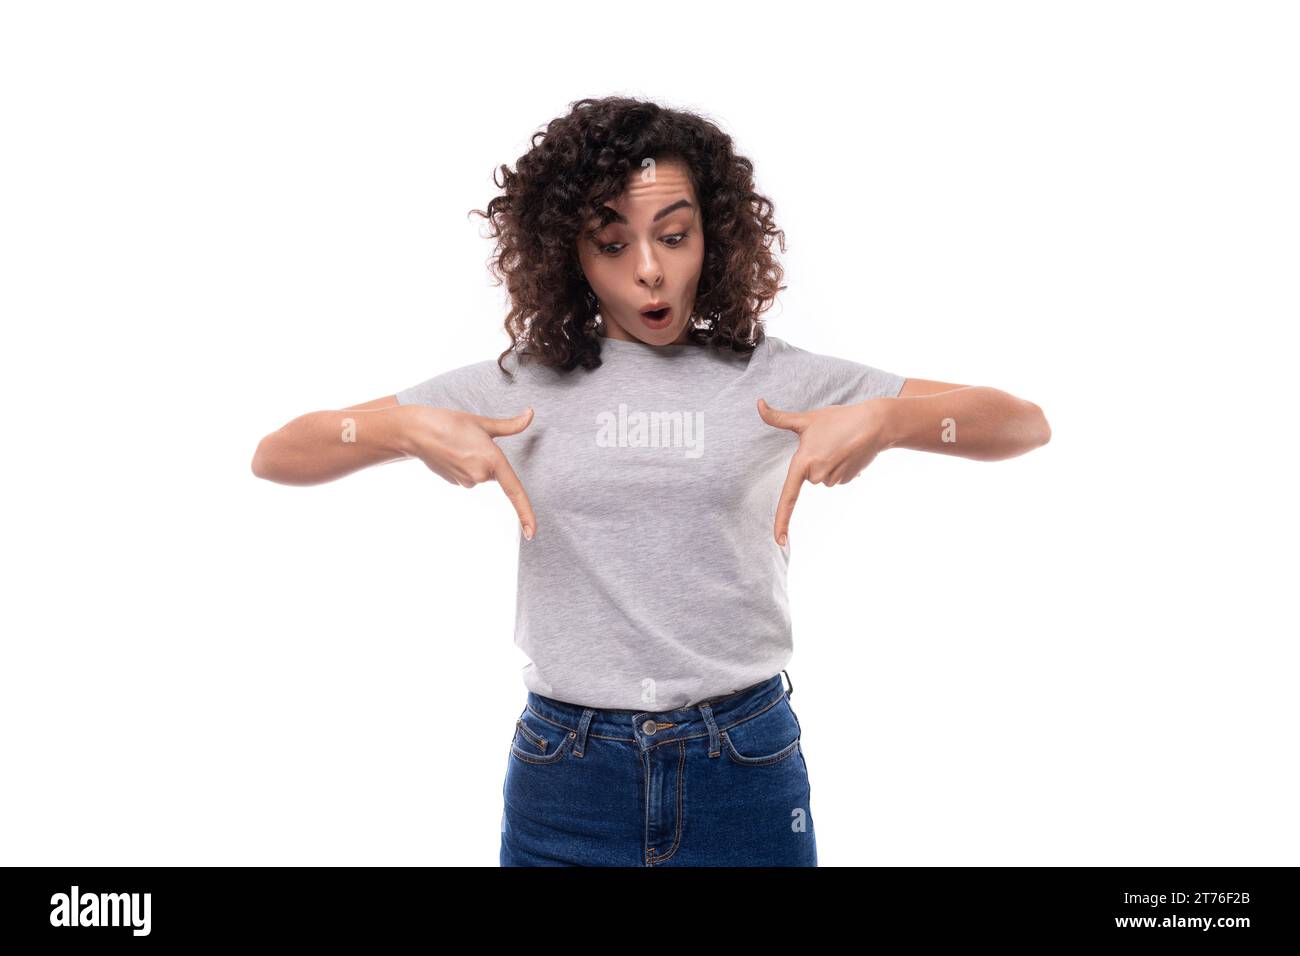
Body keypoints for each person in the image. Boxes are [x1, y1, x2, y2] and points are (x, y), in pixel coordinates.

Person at [251, 96, 1051, 866]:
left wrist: (891, 420)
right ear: (568, 254)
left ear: (715, 235)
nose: (649, 272)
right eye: (611, 245)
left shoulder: (773, 380)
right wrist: (393, 429)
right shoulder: (517, 384)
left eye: (673, 236)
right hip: (566, 773)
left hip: (742, 762)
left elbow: (1021, 423)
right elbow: (280, 453)